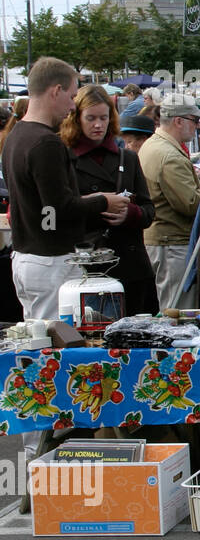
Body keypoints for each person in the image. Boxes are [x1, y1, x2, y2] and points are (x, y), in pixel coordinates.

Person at [2, 59, 130, 469]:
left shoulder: (17, 135)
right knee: (49, 360)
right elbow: (56, 210)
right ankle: (41, 456)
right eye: (73, 93)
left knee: (41, 352)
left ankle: (44, 450)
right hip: (50, 261)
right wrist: (103, 202)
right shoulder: (44, 143)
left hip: (30, 259)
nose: (73, 103)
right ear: (55, 90)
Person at [60, 85, 159, 316]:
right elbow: (60, 211)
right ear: (77, 118)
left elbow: (149, 211)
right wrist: (94, 204)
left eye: (104, 118)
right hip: (88, 269)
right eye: (91, 118)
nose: (98, 124)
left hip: (131, 266)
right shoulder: (65, 158)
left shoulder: (128, 158)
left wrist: (130, 214)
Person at [139, 93, 200, 310]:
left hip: (164, 240)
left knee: (171, 306)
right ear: (179, 121)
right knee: (178, 312)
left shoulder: (153, 145)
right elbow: (191, 204)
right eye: (194, 121)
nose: (197, 126)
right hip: (172, 243)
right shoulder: (170, 156)